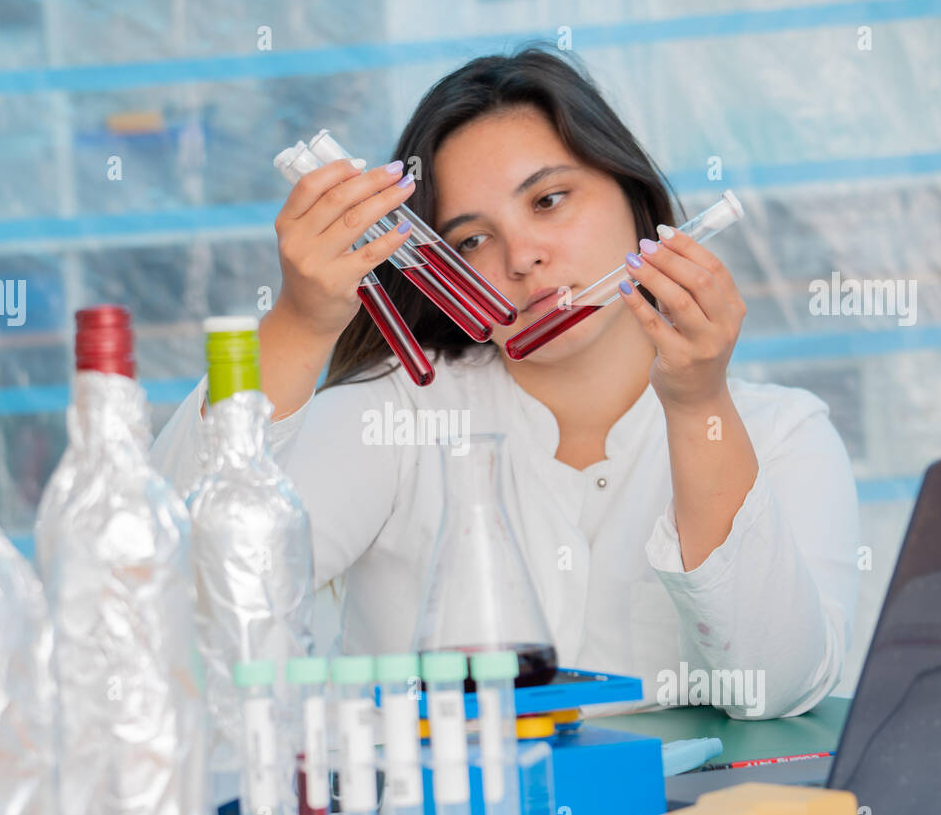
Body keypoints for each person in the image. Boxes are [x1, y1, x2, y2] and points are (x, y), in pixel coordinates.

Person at [152, 48, 859, 719]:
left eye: (549, 200)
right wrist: (300, 322)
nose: (522, 256)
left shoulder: (781, 433)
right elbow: (188, 582)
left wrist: (700, 403)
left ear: (635, 199)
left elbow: (775, 685)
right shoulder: (400, 410)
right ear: (436, 270)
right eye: (470, 240)